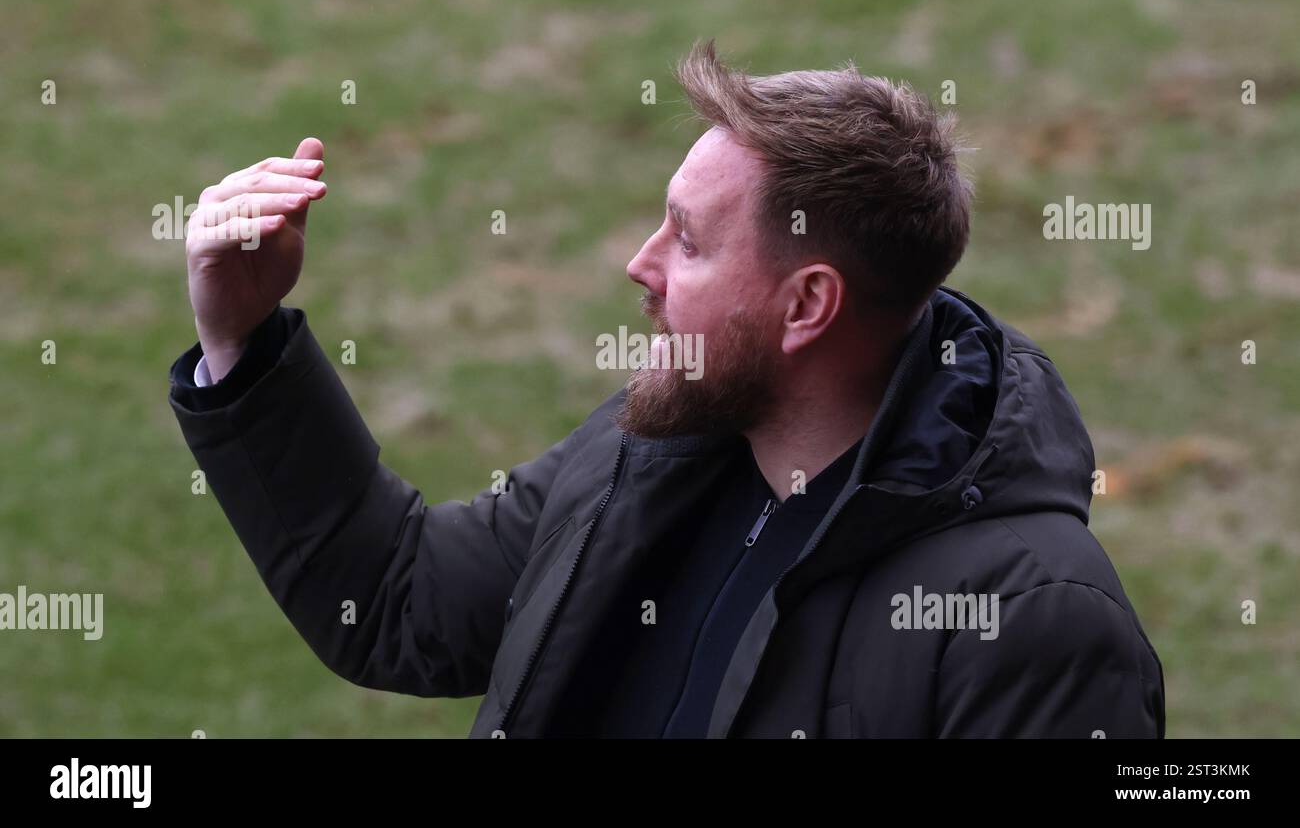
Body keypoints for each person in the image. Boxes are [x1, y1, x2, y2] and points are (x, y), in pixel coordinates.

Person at [169, 40, 1164, 738]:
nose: (638, 265)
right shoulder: (654, 451)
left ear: (806, 304)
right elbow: (398, 601)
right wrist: (243, 338)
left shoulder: (1031, 623)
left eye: (687, 240)